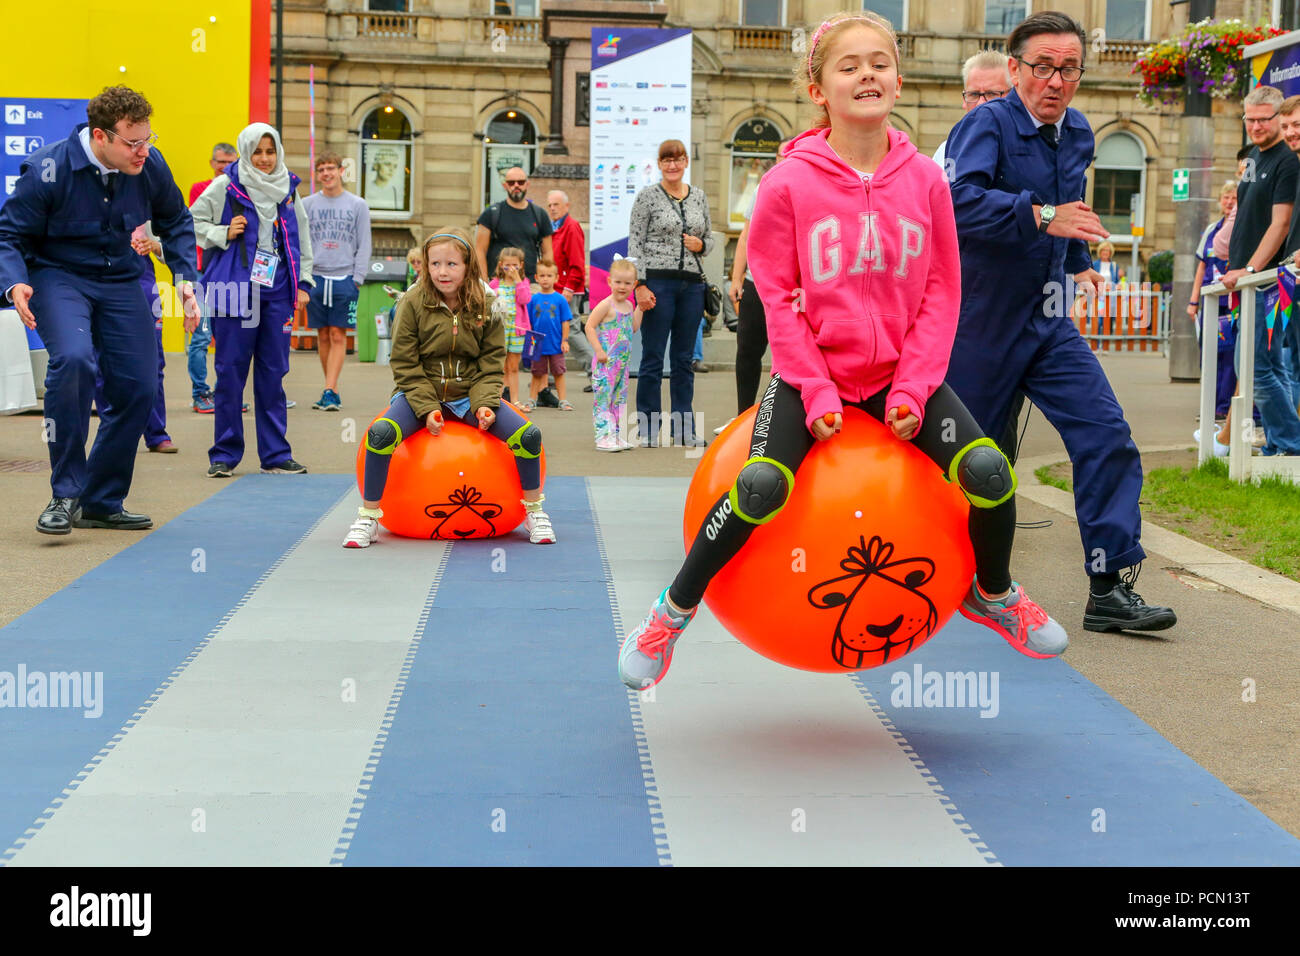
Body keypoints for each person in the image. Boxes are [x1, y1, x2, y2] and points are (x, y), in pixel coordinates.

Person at [617, 11, 1068, 690]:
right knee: (760, 485)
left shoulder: (925, 182)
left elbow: (942, 295)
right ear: (819, 88)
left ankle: (993, 592)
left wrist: (914, 389)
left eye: (879, 63)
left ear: (899, 76)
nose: (867, 75)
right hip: (811, 377)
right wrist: (818, 392)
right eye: (849, 65)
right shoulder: (788, 184)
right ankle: (671, 613)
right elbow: (777, 296)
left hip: (896, 378)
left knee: (990, 475)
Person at [944, 10, 1176, 634]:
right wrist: (1043, 217)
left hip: (1048, 324)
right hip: (982, 324)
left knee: (1106, 436)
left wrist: (1077, 262)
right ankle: (942, 579)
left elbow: (1067, 206)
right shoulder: (985, 124)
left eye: (1068, 68)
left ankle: (1110, 587)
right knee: (971, 464)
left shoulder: (1077, 132)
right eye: (1043, 66)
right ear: (1015, 68)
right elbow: (959, 204)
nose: (1055, 80)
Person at [0, 86, 201, 535]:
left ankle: (101, 499)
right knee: (73, 361)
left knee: (140, 384)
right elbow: (9, 236)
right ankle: (65, 493)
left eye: (148, 138)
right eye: (133, 142)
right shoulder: (48, 169)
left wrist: (186, 282)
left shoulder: (150, 165)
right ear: (99, 136)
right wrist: (15, 283)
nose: (143, 151)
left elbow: (176, 221)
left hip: (122, 279)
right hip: (58, 276)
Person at [344, 227, 556, 548]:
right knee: (380, 435)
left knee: (529, 436)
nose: (442, 272)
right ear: (426, 266)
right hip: (421, 394)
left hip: (469, 396)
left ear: (468, 265)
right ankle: (369, 517)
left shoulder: (487, 303)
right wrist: (426, 407)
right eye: (435, 264)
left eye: (451, 265)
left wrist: (484, 403)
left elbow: (491, 360)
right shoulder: (412, 302)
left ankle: (533, 511)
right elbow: (404, 362)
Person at [191, 122, 313, 478]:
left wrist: (303, 282)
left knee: (273, 373)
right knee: (230, 372)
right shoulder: (226, 185)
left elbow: (302, 235)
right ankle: (224, 455)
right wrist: (221, 232)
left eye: (270, 151)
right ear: (246, 152)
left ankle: (275, 454)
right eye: (257, 151)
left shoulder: (288, 189)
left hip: (278, 290)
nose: (263, 159)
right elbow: (191, 222)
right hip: (236, 291)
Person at [1220, 85, 1300, 456]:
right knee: (1269, 366)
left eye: (1262, 120)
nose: (1254, 126)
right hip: (1246, 280)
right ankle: (1281, 443)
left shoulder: (1287, 161)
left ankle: (1289, 444)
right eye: (1248, 119)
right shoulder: (1253, 156)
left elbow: (1280, 225)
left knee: (1254, 365)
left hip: (1268, 282)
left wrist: (1251, 268)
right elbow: (1245, 217)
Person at [628, 139, 714, 447]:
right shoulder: (647, 197)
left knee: (683, 359)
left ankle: (683, 429)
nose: (672, 165)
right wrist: (639, 285)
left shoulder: (699, 197)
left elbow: (710, 239)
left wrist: (701, 245)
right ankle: (649, 428)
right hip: (658, 284)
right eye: (666, 160)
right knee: (652, 357)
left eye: (677, 159)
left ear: (686, 161)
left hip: (692, 285)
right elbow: (635, 244)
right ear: (660, 164)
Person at [303, 151, 372, 411]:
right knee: (322, 335)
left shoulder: (357, 205)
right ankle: (330, 387)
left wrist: (358, 278)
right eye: (321, 170)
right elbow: (301, 241)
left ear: (341, 171)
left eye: (331, 168)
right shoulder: (308, 204)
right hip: (316, 276)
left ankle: (330, 390)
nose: (326, 174)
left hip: (344, 276)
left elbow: (365, 242)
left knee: (338, 334)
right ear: (316, 174)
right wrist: (304, 277)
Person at [187, 141, 238, 413]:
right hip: (199, 270)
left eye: (230, 162)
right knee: (200, 336)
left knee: (228, 336)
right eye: (220, 162)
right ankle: (200, 393)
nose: (225, 167)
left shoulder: (240, 191)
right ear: (212, 163)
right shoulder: (201, 188)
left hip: (226, 270)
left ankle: (225, 393)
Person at [1189, 180, 1238, 442]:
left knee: (1228, 356)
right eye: (1225, 198)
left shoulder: (1238, 227)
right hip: (1208, 302)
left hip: (1230, 303)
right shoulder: (1212, 230)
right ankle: (1209, 405)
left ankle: (1222, 407)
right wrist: (1193, 300)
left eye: (1233, 198)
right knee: (1209, 354)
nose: (1229, 202)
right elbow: (1201, 267)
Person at [585, 256, 642, 451]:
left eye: (627, 283)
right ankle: (603, 436)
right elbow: (589, 326)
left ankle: (616, 434)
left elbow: (633, 327)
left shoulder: (629, 306)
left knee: (619, 399)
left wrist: (641, 308)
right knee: (603, 399)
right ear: (609, 281)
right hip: (605, 363)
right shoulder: (605, 305)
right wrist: (599, 350)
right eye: (618, 282)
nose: (622, 287)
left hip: (622, 365)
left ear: (634, 285)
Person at [933, 50, 1012, 172]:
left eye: (992, 94)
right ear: (964, 101)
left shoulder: (1031, 150)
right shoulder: (945, 152)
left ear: (1013, 97)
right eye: (974, 94)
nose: (981, 103)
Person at [547, 189, 594, 378]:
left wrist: (569, 287)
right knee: (552, 332)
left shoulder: (571, 227)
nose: (552, 208)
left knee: (572, 331)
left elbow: (577, 261)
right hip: (557, 287)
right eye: (549, 205)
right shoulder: (554, 228)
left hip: (567, 289)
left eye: (556, 204)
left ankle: (596, 371)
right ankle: (547, 380)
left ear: (566, 206)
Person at [475, 166, 553, 280]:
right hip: (498, 284)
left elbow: (547, 252)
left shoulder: (540, 215)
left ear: (527, 184)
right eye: (511, 183)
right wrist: (484, 281)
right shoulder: (490, 214)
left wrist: (545, 279)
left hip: (529, 284)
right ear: (505, 185)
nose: (516, 185)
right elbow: (480, 251)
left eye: (520, 182)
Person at [527, 260, 574, 410]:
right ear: (536, 277)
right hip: (536, 343)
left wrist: (565, 340)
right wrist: (529, 343)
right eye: (542, 275)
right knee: (536, 373)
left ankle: (563, 400)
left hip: (555, 343)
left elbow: (565, 321)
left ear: (556, 278)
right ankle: (531, 400)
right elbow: (528, 322)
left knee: (558, 372)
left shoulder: (560, 299)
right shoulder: (533, 299)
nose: (545, 278)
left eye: (549, 275)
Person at [488, 248, 532, 407]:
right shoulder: (494, 284)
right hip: (499, 330)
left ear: (521, 265)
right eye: (507, 266)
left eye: (515, 266)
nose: (511, 269)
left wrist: (518, 281)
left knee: (513, 367)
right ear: (500, 265)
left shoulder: (524, 283)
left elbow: (525, 299)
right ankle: (497, 400)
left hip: (517, 329)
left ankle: (515, 400)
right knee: (499, 366)